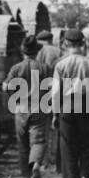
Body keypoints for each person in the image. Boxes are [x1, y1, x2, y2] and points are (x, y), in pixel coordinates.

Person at [51, 28, 89, 178]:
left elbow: (56, 92)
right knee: (87, 145)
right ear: (82, 43)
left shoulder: (61, 65)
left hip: (67, 106)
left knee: (68, 148)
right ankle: (85, 177)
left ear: (65, 43)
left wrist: (55, 114)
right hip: (86, 105)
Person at [5, 35, 47, 178]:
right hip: (39, 107)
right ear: (37, 52)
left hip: (20, 108)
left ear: (23, 52)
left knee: (22, 141)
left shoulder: (16, 68)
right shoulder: (44, 67)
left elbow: (6, 86)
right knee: (38, 141)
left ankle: (26, 173)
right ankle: (35, 165)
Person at [35, 29, 62, 169]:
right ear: (51, 40)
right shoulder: (58, 51)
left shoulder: (37, 52)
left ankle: (43, 161)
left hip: (40, 92)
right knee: (56, 126)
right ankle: (54, 157)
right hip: (56, 90)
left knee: (41, 128)